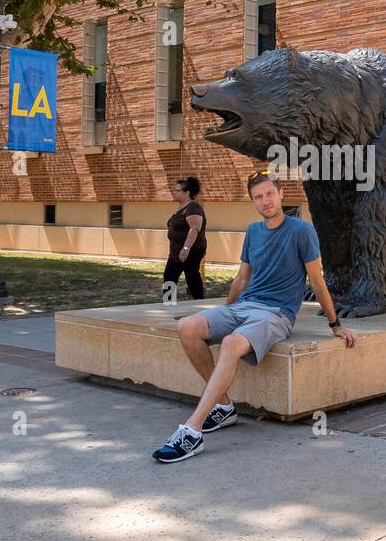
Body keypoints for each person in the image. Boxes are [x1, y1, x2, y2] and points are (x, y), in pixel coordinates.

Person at [153, 170, 357, 463]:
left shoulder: (301, 231)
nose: (266, 201)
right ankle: (223, 407)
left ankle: (192, 430)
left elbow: (317, 281)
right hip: (244, 306)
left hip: (277, 313)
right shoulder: (253, 231)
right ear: (253, 201)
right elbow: (242, 277)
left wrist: (335, 324)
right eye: (258, 197)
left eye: (270, 194)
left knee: (232, 344)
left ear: (280, 193)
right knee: (188, 326)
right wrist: (224, 311)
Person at [163, 176, 207, 300]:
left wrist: (186, 248)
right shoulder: (182, 208)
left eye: (177, 190)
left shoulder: (193, 208)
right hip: (176, 252)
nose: (174, 192)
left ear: (187, 193)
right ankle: (168, 304)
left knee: (191, 277)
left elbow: (194, 229)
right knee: (169, 276)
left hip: (191, 251)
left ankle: (199, 303)